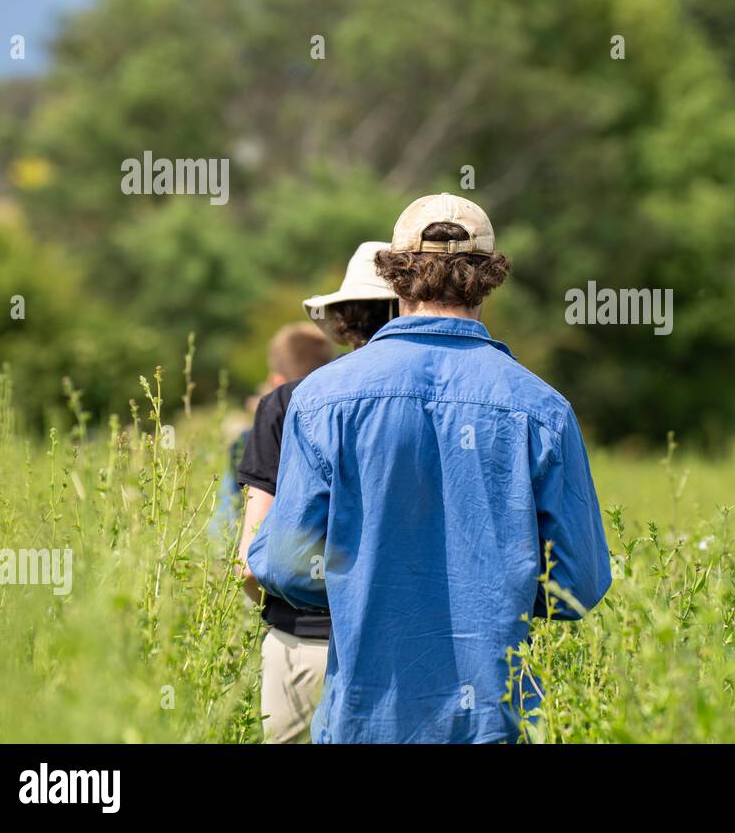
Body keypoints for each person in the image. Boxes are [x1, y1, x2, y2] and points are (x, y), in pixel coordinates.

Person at [248, 193, 611, 743]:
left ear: (395, 277)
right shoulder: (542, 409)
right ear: (489, 278)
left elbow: (284, 564)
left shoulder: (323, 399)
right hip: (491, 721)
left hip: (364, 719)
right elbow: (579, 583)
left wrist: (368, 579)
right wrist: (497, 587)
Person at [235, 242, 397, 743]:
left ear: (343, 318)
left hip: (301, 638)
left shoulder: (287, 403)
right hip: (398, 652)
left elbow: (250, 559)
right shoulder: (430, 404)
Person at [212, 324, 336, 545]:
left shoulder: (245, 442)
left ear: (275, 381)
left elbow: (224, 524)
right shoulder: (339, 429)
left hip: (267, 562)